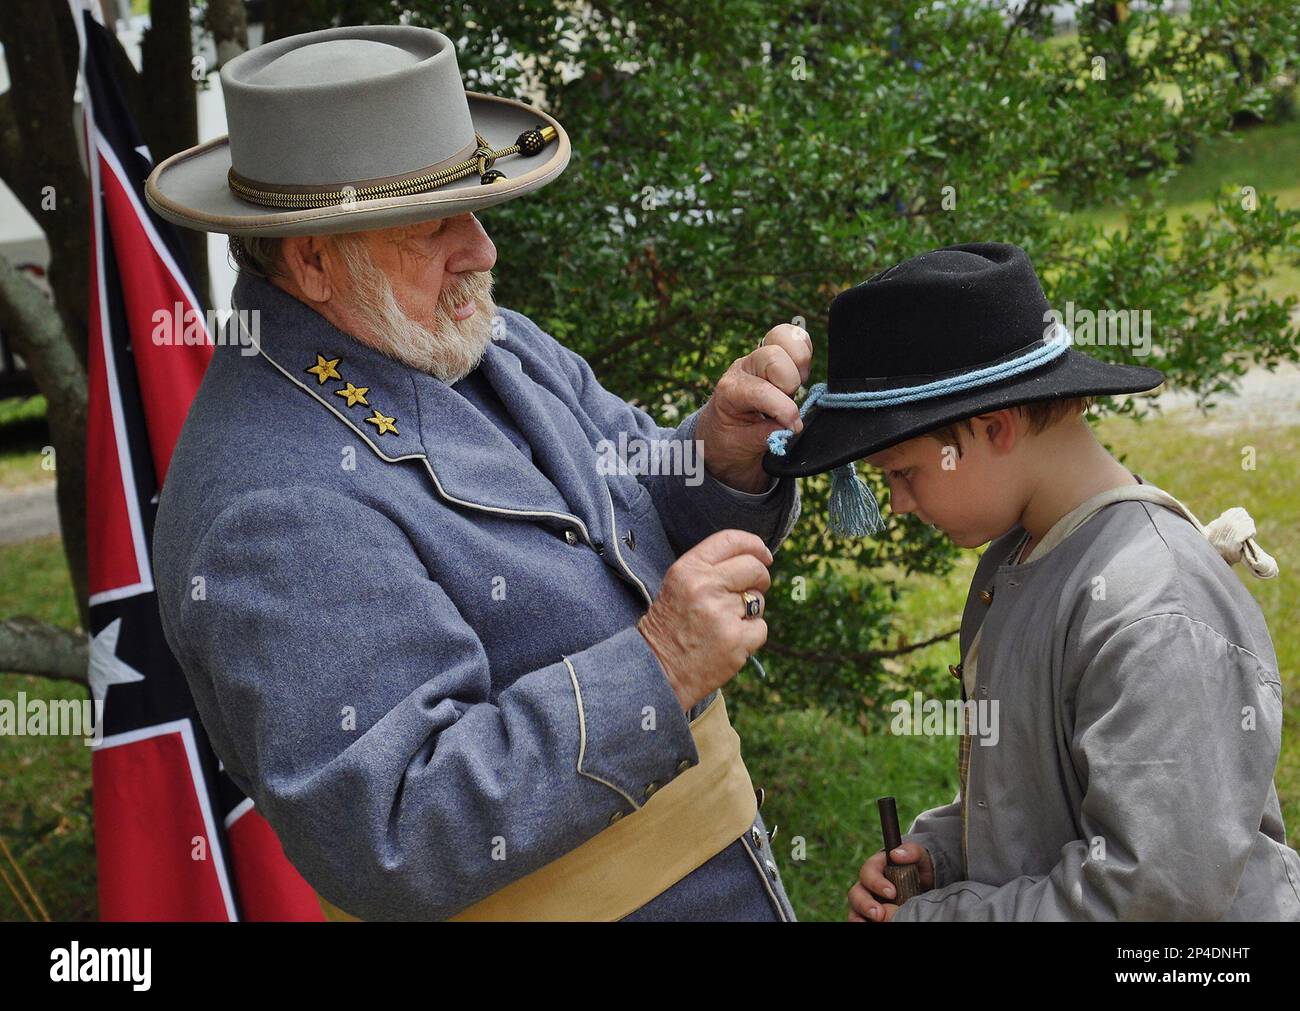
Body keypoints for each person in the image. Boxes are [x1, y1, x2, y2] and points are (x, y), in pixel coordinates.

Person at [146, 24, 808, 920]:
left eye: (476, 205)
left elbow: (627, 495)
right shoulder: (271, 502)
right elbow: (394, 829)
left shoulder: (474, 336)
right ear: (310, 261)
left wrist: (717, 454)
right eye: (434, 224)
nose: (483, 250)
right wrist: (658, 668)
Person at [764, 242, 1300, 921]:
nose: (897, 503)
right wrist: (944, 856)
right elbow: (1044, 795)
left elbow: (1155, 897)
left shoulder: (1154, 611)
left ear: (994, 427)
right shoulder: (1017, 558)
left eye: (904, 472)